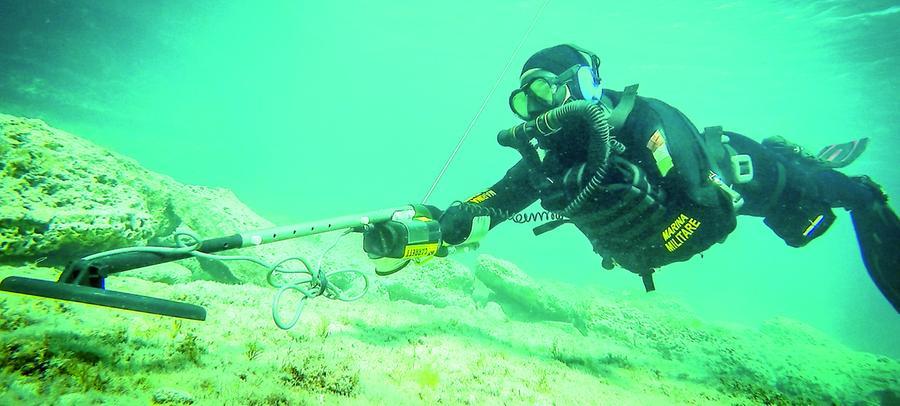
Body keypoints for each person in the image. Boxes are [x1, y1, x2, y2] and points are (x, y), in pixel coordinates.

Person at [367, 44, 899, 311]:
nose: (533, 111)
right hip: (681, 209)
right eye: (523, 98)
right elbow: (499, 200)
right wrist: (444, 224)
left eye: (544, 93)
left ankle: (827, 173)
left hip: (736, 171)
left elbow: (711, 212)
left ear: (578, 85)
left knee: (807, 194)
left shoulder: (647, 123)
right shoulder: (550, 153)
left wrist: (653, 249)